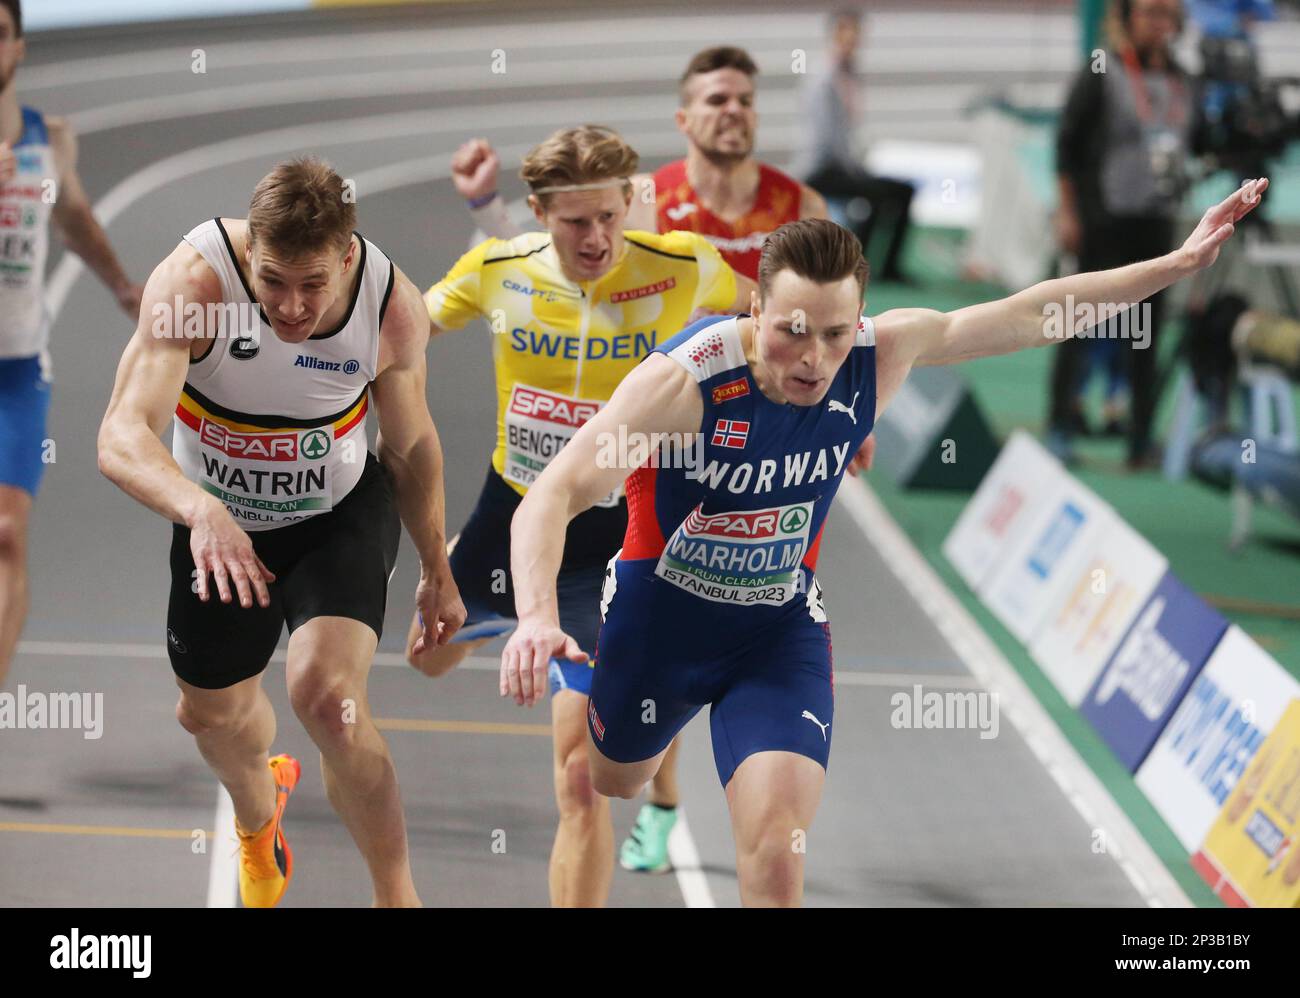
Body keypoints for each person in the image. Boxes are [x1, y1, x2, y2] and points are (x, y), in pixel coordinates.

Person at [501, 180, 1266, 906]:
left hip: (775, 633)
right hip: (657, 623)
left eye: (835, 334)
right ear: (755, 306)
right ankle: (649, 740)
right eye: (791, 331)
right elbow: (553, 494)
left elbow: (1034, 315)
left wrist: (1176, 264)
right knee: (612, 782)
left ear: (861, 315)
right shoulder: (685, 381)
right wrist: (536, 616)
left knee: (774, 852)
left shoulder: (880, 354)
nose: (813, 359)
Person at [447, 46, 874, 874]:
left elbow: (842, 307)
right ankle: (659, 774)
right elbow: (574, 261)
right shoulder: (653, 201)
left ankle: (680, 786)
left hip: (772, 435)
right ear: (687, 118)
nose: (732, 113)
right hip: (663, 426)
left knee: (734, 594)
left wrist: (853, 397)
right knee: (656, 611)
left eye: (745, 99)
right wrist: (489, 214)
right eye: (715, 99)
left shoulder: (801, 205)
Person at [98, 158, 465, 908]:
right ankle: (259, 813)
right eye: (271, 282)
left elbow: (412, 446)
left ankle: (397, 897)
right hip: (221, 525)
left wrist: (436, 564)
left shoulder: (391, 306)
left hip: (336, 514)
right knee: (210, 715)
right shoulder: (195, 284)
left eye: (312, 284)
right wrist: (200, 510)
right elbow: (120, 434)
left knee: (329, 698)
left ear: (348, 255)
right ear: (248, 253)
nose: (291, 306)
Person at [408, 125, 751, 905]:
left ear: (631, 201)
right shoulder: (497, 268)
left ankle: (647, 732)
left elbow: (764, 321)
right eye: (574, 222)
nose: (597, 238)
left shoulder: (683, 263)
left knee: (580, 774)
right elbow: (399, 334)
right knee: (426, 657)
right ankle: (521, 610)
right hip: (514, 514)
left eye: (609, 216)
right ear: (537, 212)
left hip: (622, 532)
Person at [0, 0, 142, 685]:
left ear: (20, 46)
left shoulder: (49, 140)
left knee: (6, 536)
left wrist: (121, 286)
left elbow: (76, 219)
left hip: (18, 370)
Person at [1051, 0, 1200, 468]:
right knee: (1078, 322)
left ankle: (1139, 436)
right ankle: (1060, 426)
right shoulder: (1101, 71)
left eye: (1168, 15)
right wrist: (1068, 213)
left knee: (1145, 334)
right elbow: (1067, 145)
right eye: (1151, 13)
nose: (1160, 25)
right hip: (1102, 222)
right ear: (1128, 17)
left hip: (1156, 223)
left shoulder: (1185, 80)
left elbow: (1197, 141)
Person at [796, 10, 915, 284]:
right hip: (821, 168)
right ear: (835, 35)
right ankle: (859, 264)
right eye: (846, 34)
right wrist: (857, 171)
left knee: (895, 192)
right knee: (880, 194)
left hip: (841, 164)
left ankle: (872, 266)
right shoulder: (824, 78)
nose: (853, 41)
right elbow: (828, 138)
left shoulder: (847, 74)